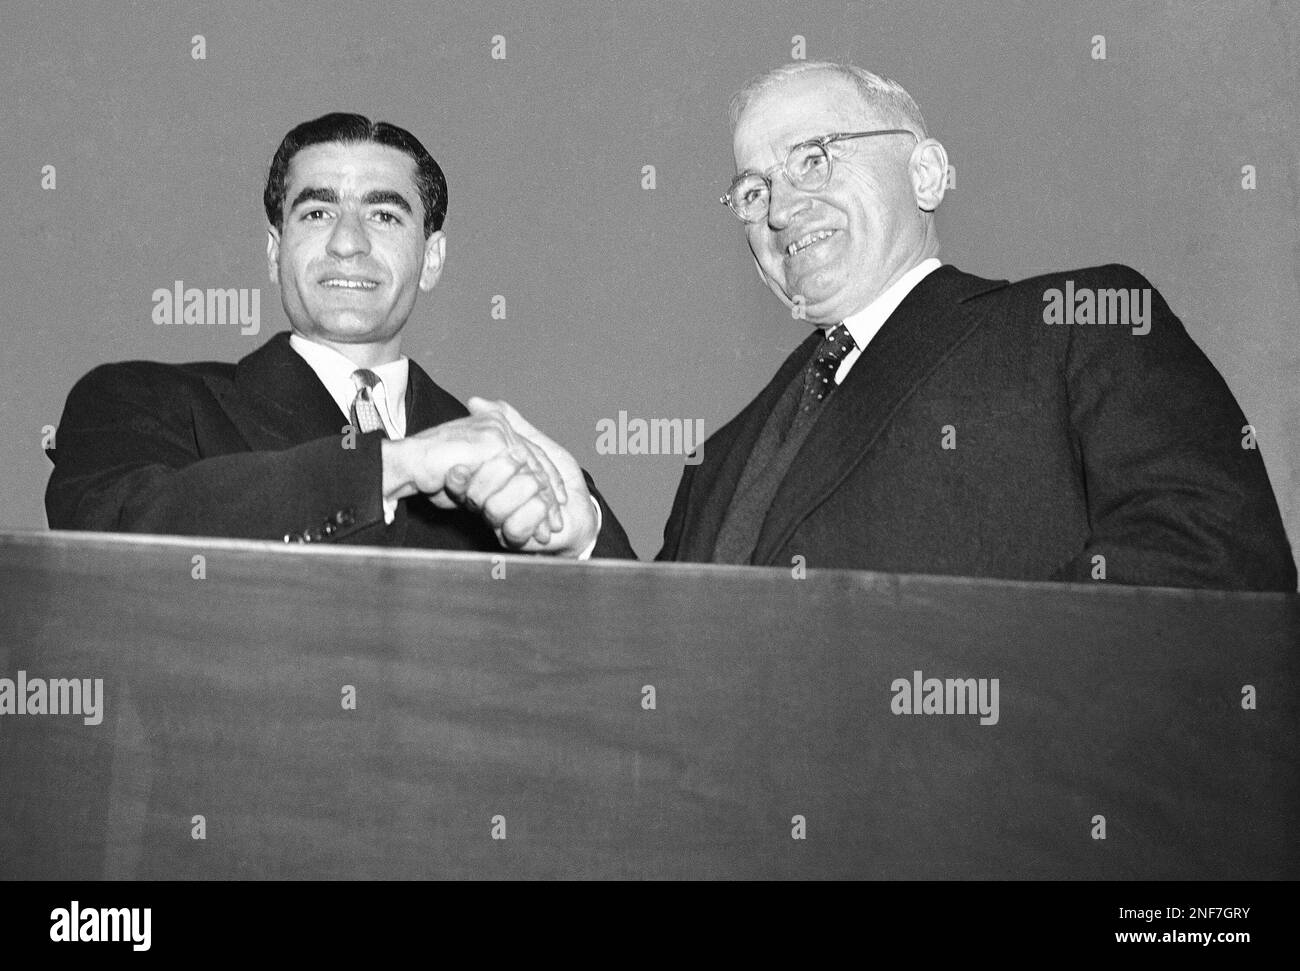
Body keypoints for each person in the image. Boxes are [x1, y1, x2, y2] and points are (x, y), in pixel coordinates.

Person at [652, 61, 1294, 590]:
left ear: (925, 174)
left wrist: (939, 696)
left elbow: (1215, 571)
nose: (783, 209)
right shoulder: (722, 456)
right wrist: (582, 534)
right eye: (754, 191)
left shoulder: (1080, 327)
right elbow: (653, 659)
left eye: (812, 160)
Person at [46, 113, 634, 560]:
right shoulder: (140, 402)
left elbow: (646, 647)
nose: (347, 242)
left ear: (432, 258)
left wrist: (581, 540)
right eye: (318, 213)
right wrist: (396, 465)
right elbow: (114, 539)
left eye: (384, 215)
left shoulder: (519, 467)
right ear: (275, 249)